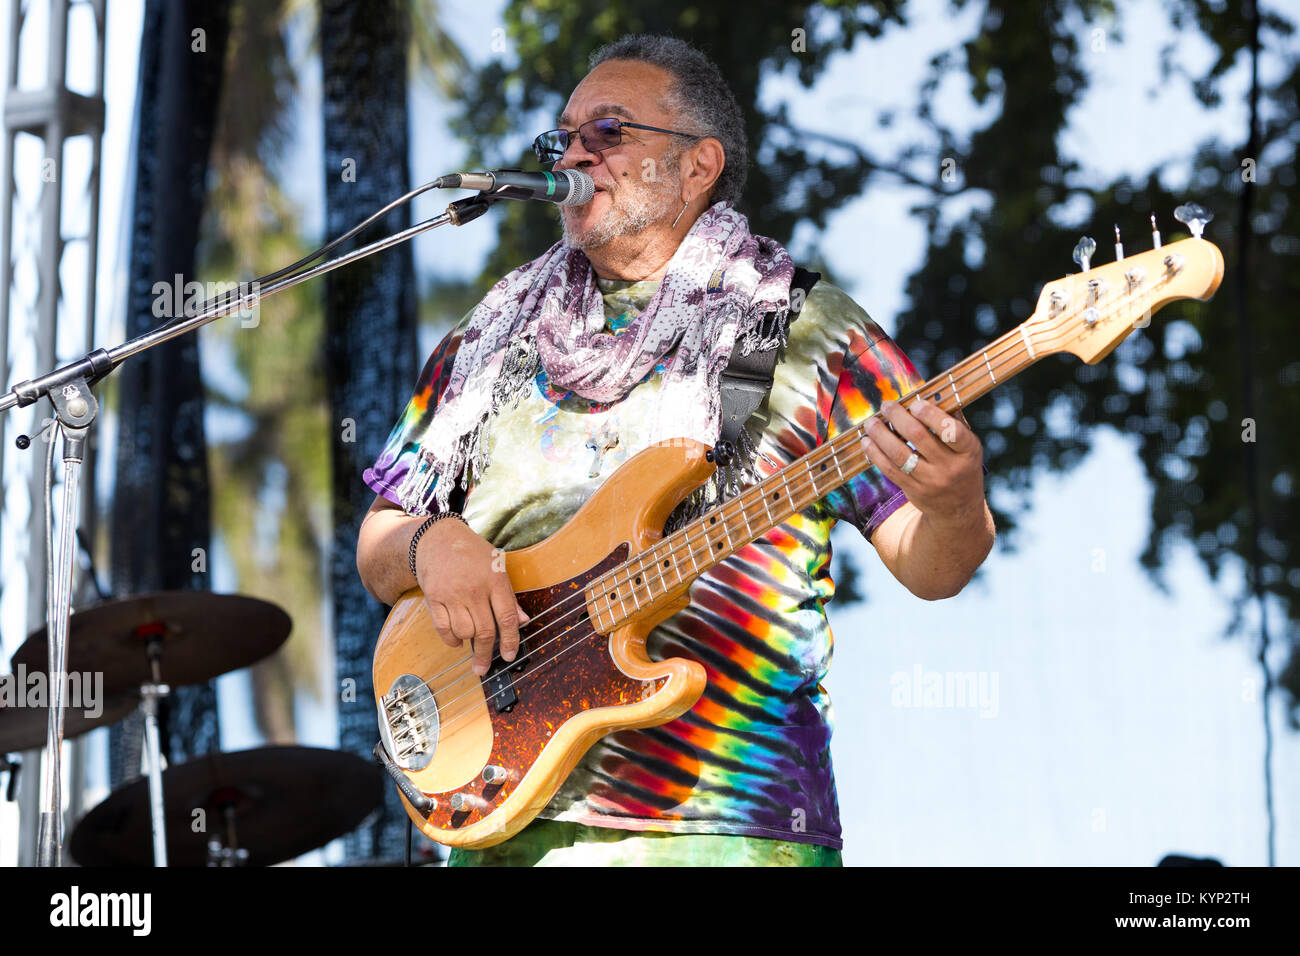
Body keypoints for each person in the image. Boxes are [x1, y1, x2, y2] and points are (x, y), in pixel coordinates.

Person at [355, 34, 995, 867]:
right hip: (503, 821)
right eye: (564, 137)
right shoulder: (486, 345)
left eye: (609, 131)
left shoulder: (803, 329)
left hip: (727, 830)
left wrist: (954, 500)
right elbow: (379, 546)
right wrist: (431, 541)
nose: (576, 152)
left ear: (698, 167)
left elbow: (931, 564)